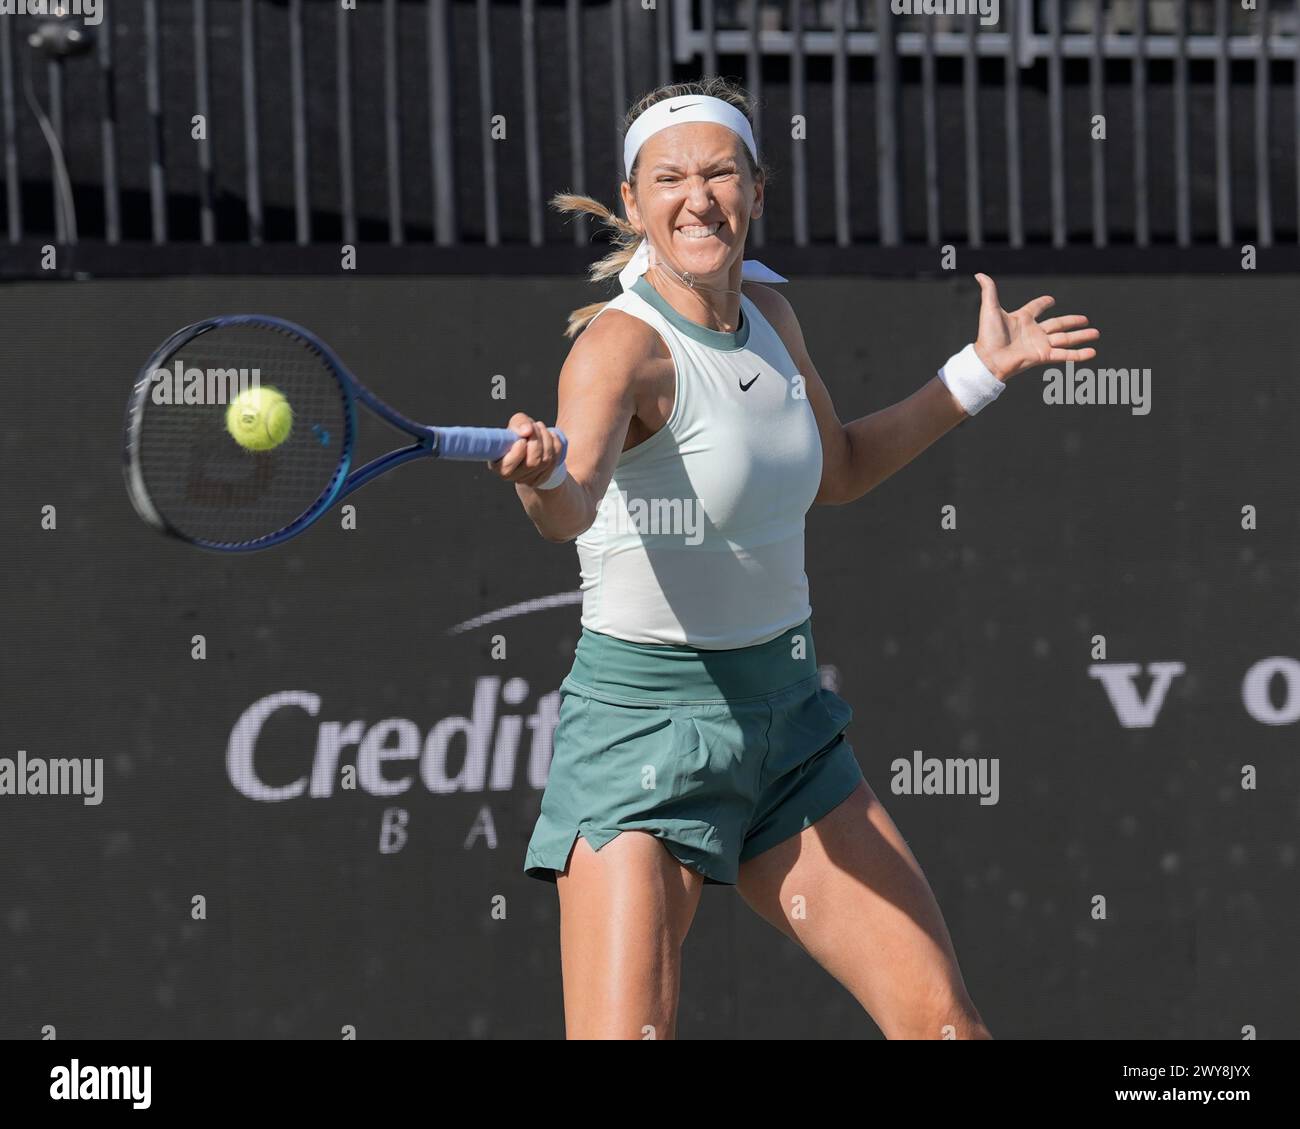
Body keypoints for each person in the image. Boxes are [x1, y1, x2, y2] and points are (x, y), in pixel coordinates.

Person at [486, 76, 1098, 1040]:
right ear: (636, 201)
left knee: (945, 1026)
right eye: (670, 179)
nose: (698, 198)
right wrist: (536, 477)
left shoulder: (771, 312)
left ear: (756, 191)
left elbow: (840, 469)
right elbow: (571, 507)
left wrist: (979, 374)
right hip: (644, 735)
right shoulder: (619, 350)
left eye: (720, 172)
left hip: (788, 722)